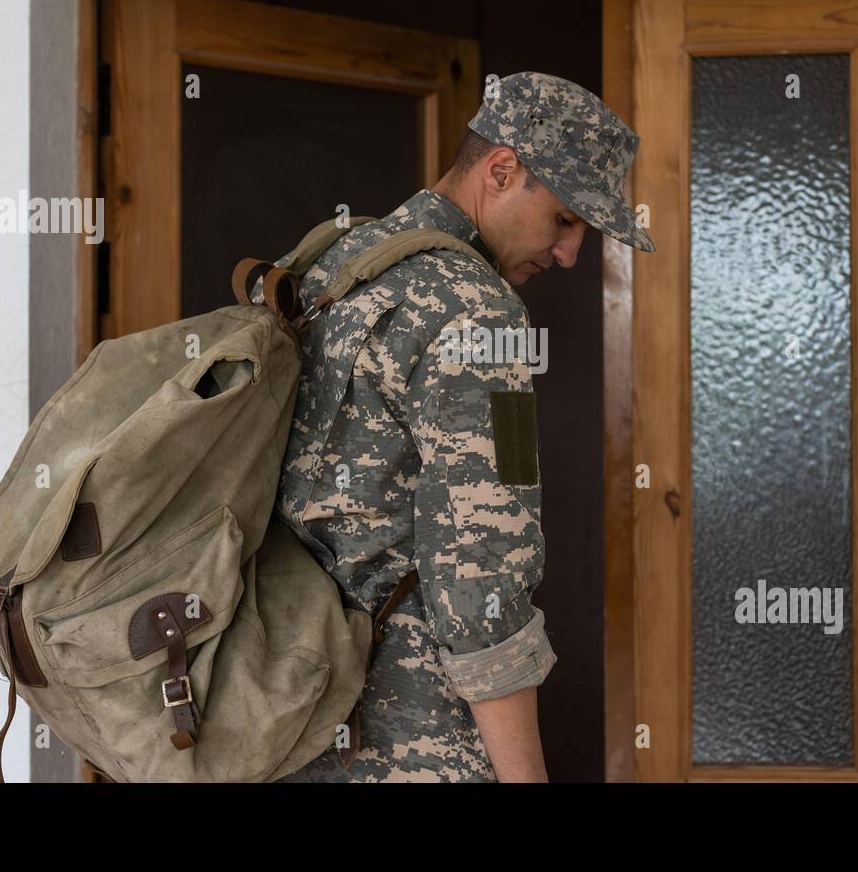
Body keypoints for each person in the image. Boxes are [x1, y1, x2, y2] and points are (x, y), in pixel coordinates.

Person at [272, 71, 654, 783]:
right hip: (407, 735)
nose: (571, 253)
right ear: (502, 170)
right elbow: (482, 568)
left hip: (287, 713)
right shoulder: (480, 314)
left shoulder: (337, 264)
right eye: (566, 219)